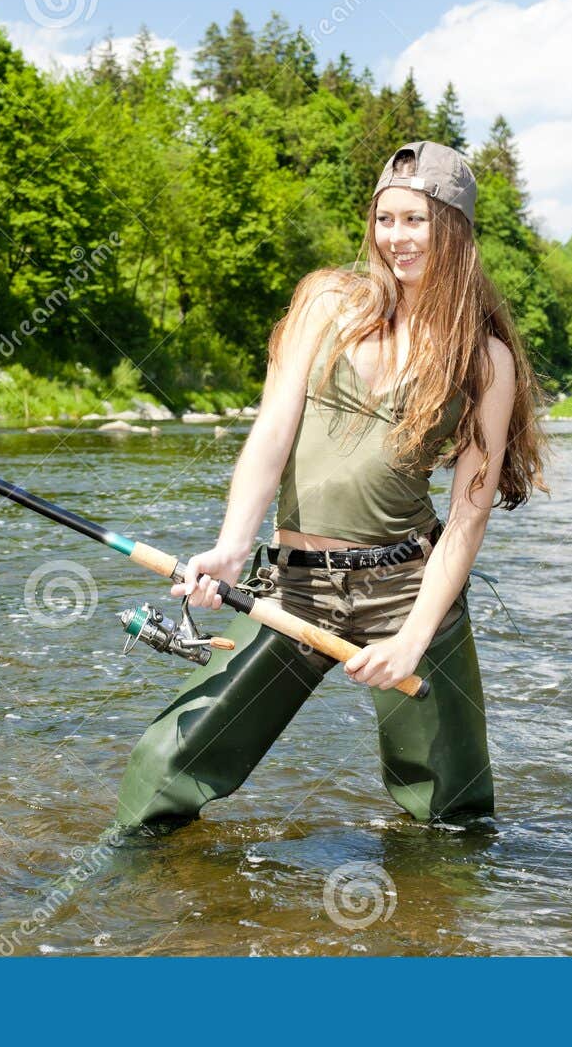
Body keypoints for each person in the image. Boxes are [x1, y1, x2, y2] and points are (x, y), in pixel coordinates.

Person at [115, 140, 545, 831]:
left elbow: (467, 518)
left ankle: (430, 928)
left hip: (408, 586)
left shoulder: (484, 358)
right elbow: (272, 434)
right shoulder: (326, 304)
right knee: (168, 761)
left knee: (453, 812)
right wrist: (231, 549)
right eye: (385, 219)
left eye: (417, 220)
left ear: (455, 229)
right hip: (295, 585)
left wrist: (412, 639)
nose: (397, 238)